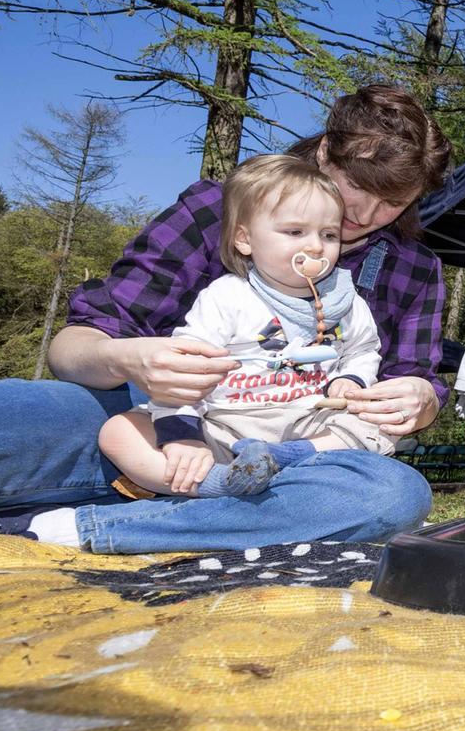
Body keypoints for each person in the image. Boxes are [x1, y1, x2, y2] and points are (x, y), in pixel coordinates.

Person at [0, 84, 454, 552]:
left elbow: (415, 382)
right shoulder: (215, 209)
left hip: (287, 467)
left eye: (392, 205)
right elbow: (72, 348)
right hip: (136, 425)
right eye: (354, 189)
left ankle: (57, 528)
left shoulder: (416, 270)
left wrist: (421, 401)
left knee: (390, 496)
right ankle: (73, 512)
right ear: (325, 151)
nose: (363, 216)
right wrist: (128, 358)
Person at [87, 155, 393, 515]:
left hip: (310, 427)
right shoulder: (227, 297)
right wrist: (184, 436)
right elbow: (185, 369)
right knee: (119, 432)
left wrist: (351, 378)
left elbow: (364, 348)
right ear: (245, 240)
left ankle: (284, 462)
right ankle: (217, 485)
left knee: (383, 426)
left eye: (328, 235)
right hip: (225, 425)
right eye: (295, 232)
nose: (315, 246)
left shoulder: (347, 300)